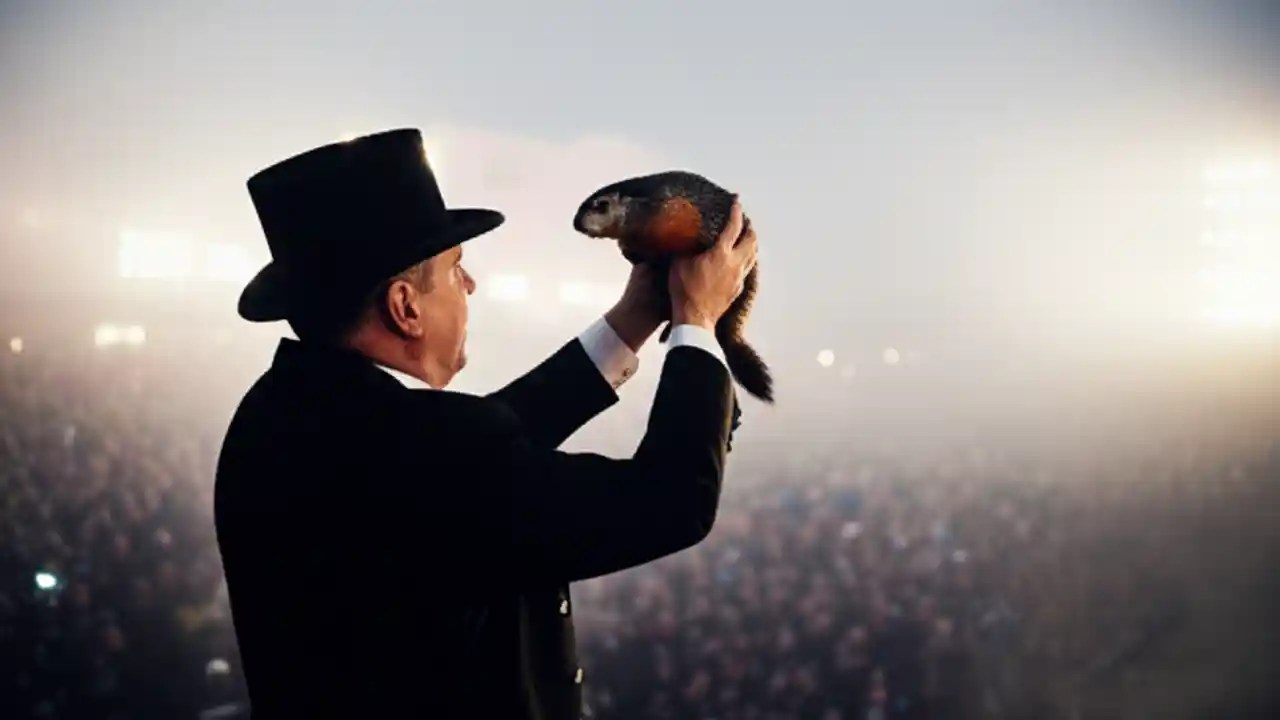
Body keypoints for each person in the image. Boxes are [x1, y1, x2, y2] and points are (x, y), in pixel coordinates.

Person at [213, 128, 757, 718]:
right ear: (406, 307)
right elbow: (671, 501)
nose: (470, 286)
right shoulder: (421, 454)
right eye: (454, 269)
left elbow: (477, 446)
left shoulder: (282, 417)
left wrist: (635, 318)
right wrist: (697, 321)